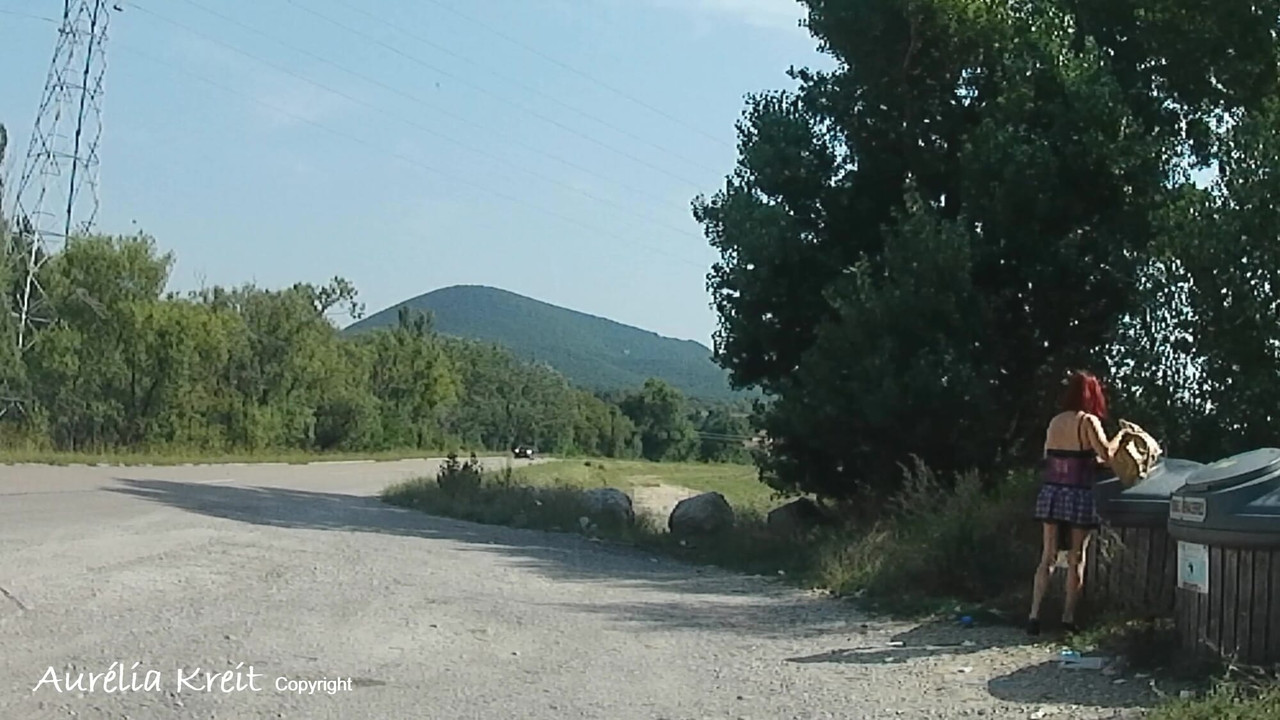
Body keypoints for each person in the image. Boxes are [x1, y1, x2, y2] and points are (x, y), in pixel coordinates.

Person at [1026, 370, 1119, 636]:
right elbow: (1107, 454)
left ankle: (1034, 615)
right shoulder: (1088, 421)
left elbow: (1049, 455)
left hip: (1052, 491)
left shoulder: (1055, 421)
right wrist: (1122, 438)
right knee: (1077, 557)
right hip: (1078, 493)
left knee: (1048, 556)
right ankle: (1068, 618)